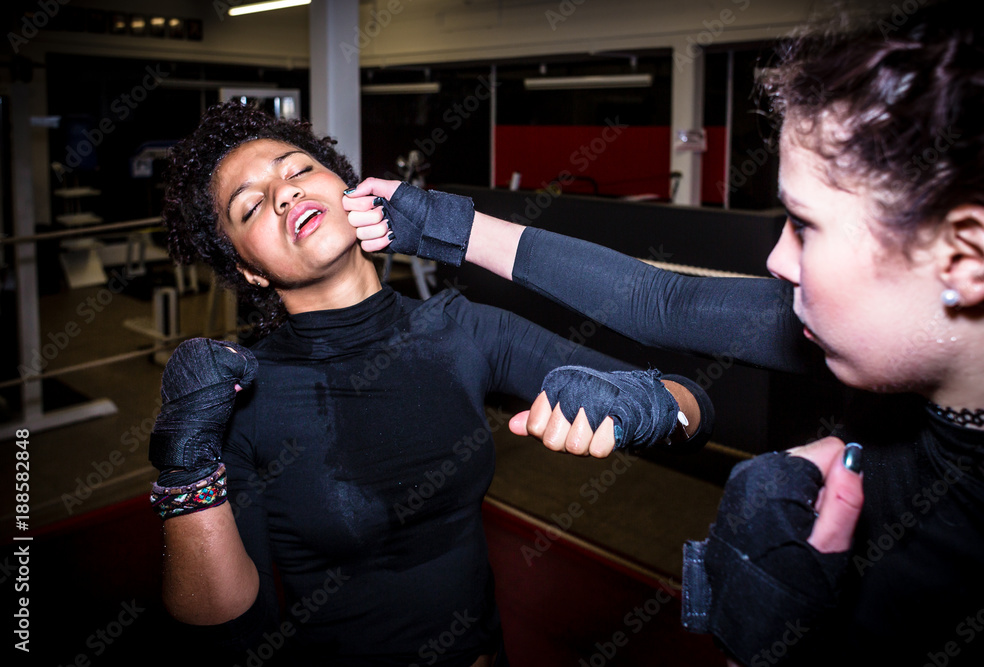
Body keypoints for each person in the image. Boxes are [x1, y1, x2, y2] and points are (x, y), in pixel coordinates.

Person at [344, 1, 984, 664]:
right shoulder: (883, 364)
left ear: (967, 257)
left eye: (805, 225)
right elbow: (663, 299)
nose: (777, 259)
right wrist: (443, 225)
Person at [150, 100, 713, 666]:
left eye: (297, 170)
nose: (284, 193)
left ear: (351, 191)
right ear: (248, 270)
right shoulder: (240, 395)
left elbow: (695, 410)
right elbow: (227, 634)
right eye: (251, 207)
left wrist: (645, 406)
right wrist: (187, 474)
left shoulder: (463, 328)